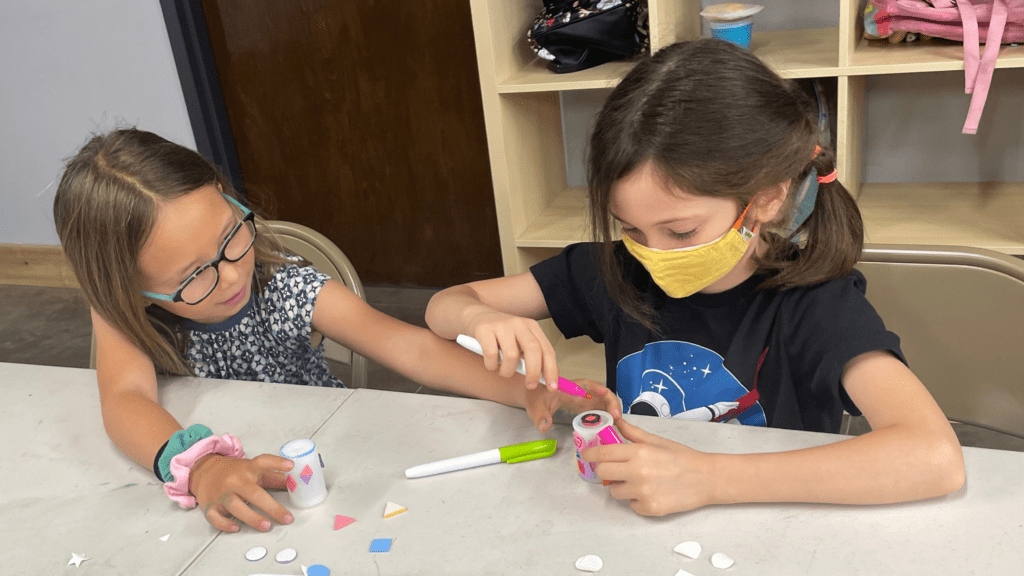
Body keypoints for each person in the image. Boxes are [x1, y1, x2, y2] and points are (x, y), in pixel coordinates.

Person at [425, 38, 965, 516]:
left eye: (680, 232)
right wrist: (478, 315)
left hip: (776, 530)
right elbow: (445, 307)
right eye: (631, 228)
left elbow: (933, 456)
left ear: (768, 198)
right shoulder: (613, 268)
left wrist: (709, 479)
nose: (652, 255)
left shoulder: (815, 304)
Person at [53, 128, 617, 532]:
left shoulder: (287, 285)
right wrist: (202, 467)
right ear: (129, 287)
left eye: (231, 238)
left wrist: (528, 390)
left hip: (331, 474)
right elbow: (123, 398)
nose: (231, 276)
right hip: (234, 501)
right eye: (193, 276)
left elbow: (409, 346)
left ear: (230, 199)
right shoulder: (124, 310)